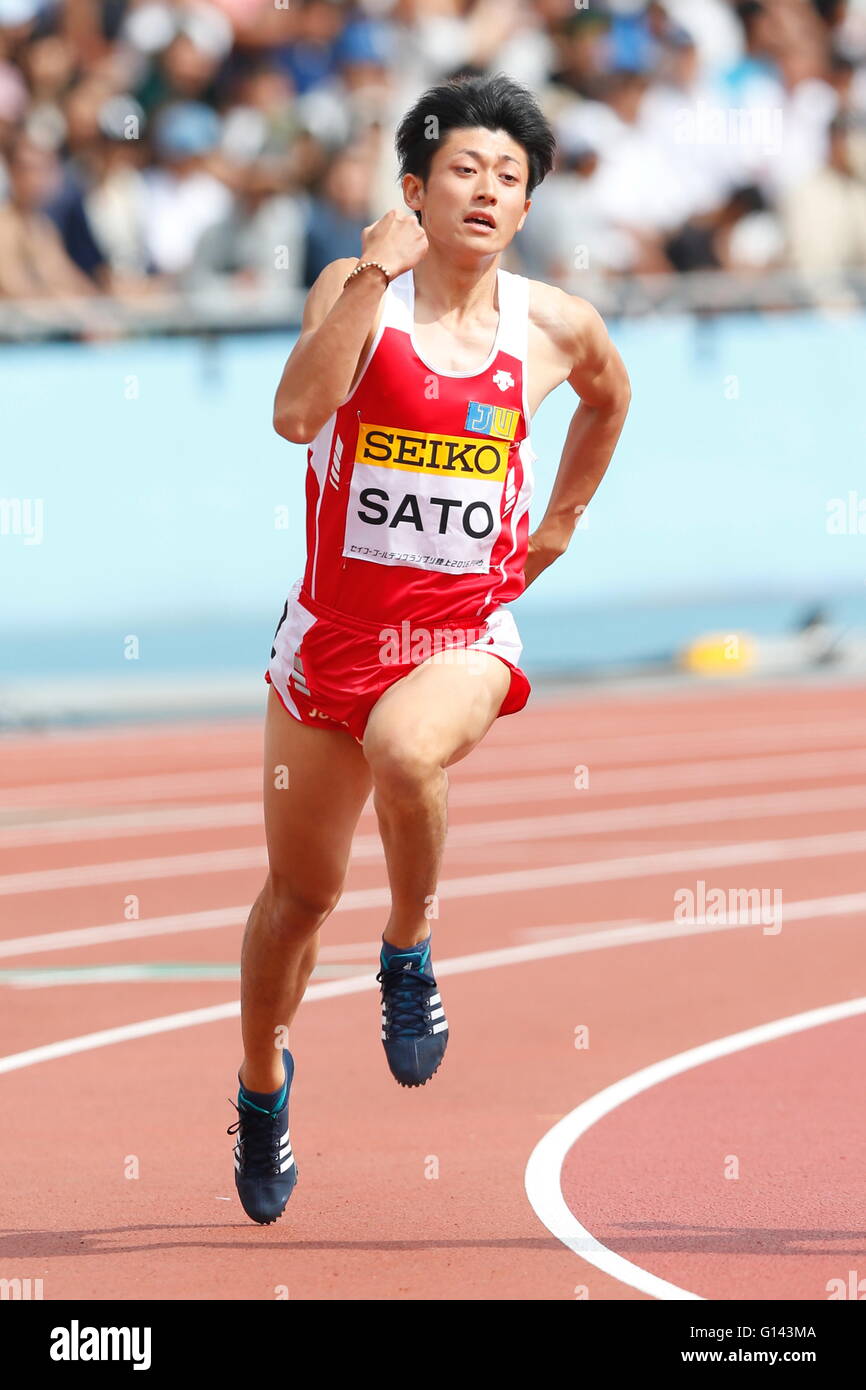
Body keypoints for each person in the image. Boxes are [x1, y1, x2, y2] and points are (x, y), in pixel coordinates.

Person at [227, 72, 631, 1225]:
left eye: (510, 176)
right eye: (465, 167)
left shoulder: (552, 327)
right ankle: (262, 1087)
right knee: (298, 899)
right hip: (326, 645)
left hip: (458, 631)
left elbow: (608, 399)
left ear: (524, 206)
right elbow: (298, 415)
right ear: (413, 188)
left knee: (411, 751)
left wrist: (557, 525)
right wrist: (370, 273)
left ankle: (408, 949)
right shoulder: (362, 292)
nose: (488, 188)